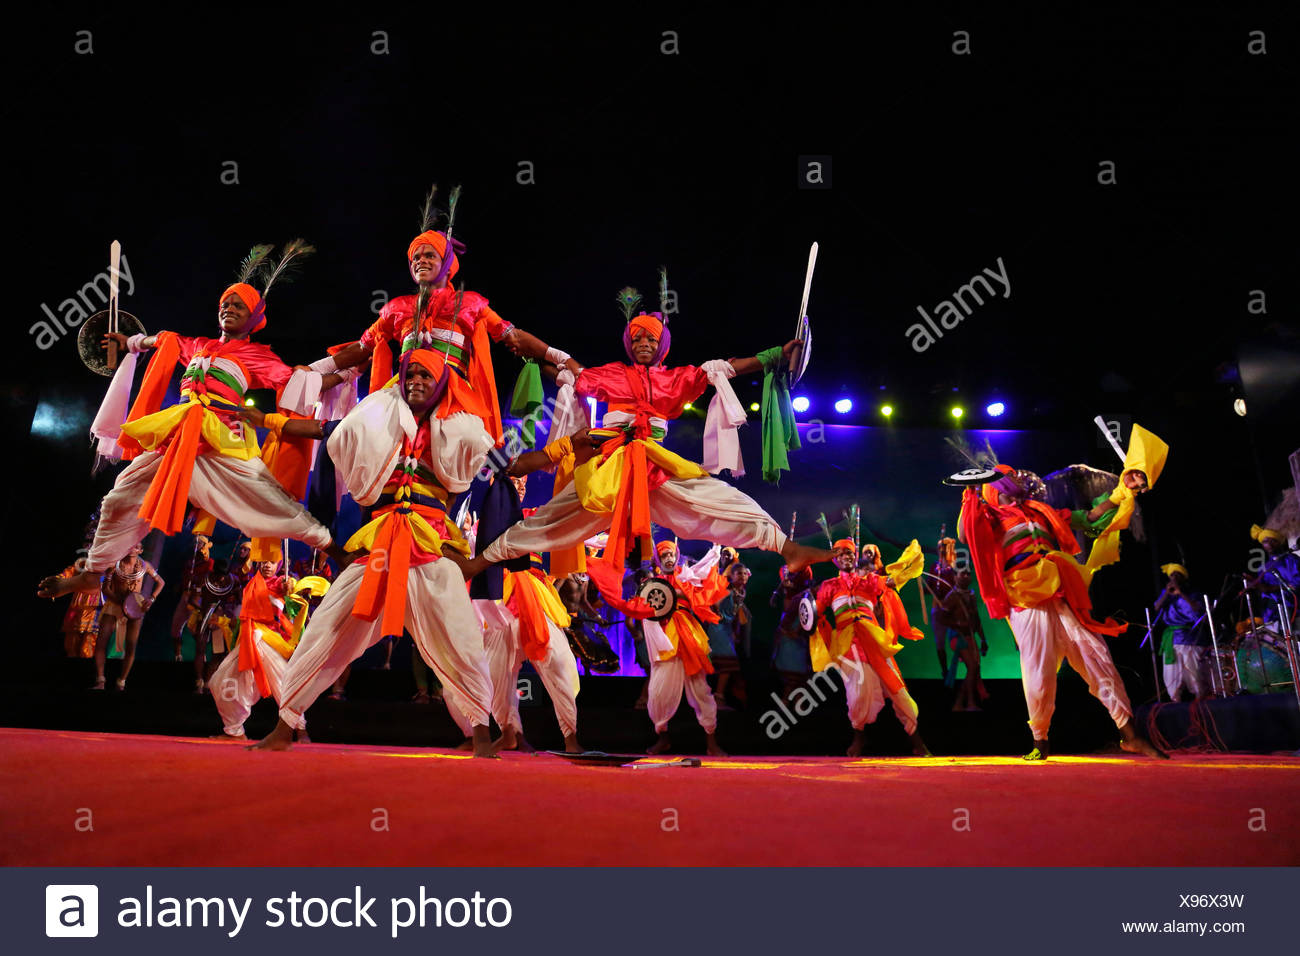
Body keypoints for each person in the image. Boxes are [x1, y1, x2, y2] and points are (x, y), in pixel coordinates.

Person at [462, 296, 831, 590]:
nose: (642, 343)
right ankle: (478, 563)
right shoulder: (611, 374)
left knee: (724, 501)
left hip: (654, 467)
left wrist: (775, 356)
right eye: (636, 337)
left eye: (650, 338)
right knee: (548, 521)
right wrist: (535, 351)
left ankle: (788, 547)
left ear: (662, 345)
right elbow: (569, 370)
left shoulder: (677, 379)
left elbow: (728, 367)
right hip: (609, 471)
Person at [38, 254, 347, 604]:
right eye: (225, 303)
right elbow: (163, 340)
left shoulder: (259, 357)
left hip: (220, 440)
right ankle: (92, 573)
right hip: (177, 436)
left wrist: (349, 370)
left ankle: (331, 547)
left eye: (238, 306)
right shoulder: (199, 344)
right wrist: (129, 343)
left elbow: (299, 382)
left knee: (267, 498)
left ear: (255, 319)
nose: (229, 309)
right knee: (118, 498)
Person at [248, 350, 497, 755]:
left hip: (431, 544)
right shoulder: (377, 423)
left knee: (462, 641)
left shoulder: (458, 428)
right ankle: (284, 724)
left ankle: (482, 733)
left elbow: (480, 458)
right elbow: (335, 434)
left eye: (426, 377)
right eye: (409, 374)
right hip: (380, 542)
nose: (415, 381)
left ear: (441, 385)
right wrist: (267, 419)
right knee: (324, 629)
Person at [958, 464, 1165, 759]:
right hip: (1026, 598)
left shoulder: (1042, 512)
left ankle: (1130, 735)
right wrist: (972, 491)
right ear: (996, 486)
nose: (1018, 477)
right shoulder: (988, 517)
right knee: (1039, 672)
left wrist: (1122, 491)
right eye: (1010, 475)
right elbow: (966, 534)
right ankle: (1040, 739)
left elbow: (1091, 517)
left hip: (1060, 592)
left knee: (1097, 656)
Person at [813, 538, 930, 757]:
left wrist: (905, 567)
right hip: (850, 647)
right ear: (834, 559)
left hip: (875, 644)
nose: (845, 557)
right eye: (840, 554)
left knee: (899, 692)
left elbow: (889, 583)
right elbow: (814, 615)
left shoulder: (868, 580)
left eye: (849, 553)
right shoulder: (829, 586)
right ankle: (859, 737)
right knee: (858, 695)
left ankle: (918, 742)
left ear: (855, 557)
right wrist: (811, 618)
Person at [642, 540, 731, 756]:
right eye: (664, 556)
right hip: (666, 638)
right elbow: (645, 605)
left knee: (701, 690)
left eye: (672, 555)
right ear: (658, 560)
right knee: (657, 692)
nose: (669, 559)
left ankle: (711, 743)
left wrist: (715, 551)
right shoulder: (652, 582)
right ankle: (663, 738)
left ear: (677, 555)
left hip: (688, 636)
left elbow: (700, 582)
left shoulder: (686, 576)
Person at [209, 571, 319, 742]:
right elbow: (244, 617)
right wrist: (222, 621)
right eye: (264, 560)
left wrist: (290, 588)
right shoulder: (251, 584)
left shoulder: (281, 581)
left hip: (270, 640)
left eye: (272, 561)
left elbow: (292, 595)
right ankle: (235, 731)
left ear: (279, 564)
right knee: (220, 681)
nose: (267, 564)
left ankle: (300, 729)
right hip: (248, 639)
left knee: (283, 684)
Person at [91, 543, 164, 690]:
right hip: (114, 604)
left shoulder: (145, 566)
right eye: (130, 546)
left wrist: (151, 598)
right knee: (101, 641)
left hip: (135, 608)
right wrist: (121, 602)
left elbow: (161, 582)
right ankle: (100, 680)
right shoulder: (115, 564)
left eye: (137, 547)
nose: (133, 549)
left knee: (131, 645)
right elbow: (105, 588)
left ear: (141, 550)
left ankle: (121, 682)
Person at [1154, 563, 1208, 700]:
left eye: (1177, 575)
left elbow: (1198, 610)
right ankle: (1175, 701)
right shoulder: (1166, 594)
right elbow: (1156, 607)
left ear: (1183, 578)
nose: (1174, 577)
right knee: (1171, 675)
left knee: (1194, 674)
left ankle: (1200, 700)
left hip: (1191, 638)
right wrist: (1167, 593)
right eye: (1172, 575)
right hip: (1171, 640)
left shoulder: (1194, 594)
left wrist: (1181, 593)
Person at [941, 568, 989, 711]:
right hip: (958, 638)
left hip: (970, 637)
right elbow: (941, 618)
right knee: (972, 667)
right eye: (963, 573)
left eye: (968, 574)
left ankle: (960, 704)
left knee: (974, 669)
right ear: (955, 577)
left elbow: (977, 619)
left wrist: (983, 639)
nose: (966, 576)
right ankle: (969, 703)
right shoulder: (952, 596)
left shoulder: (971, 595)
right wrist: (957, 624)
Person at [190, 559, 239, 693]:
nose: (221, 578)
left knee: (218, 652)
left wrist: (227, 614)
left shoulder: (233, 581)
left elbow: (239, 599)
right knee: (200, 649)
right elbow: (193, 599)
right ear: (213, 571)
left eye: (224, 575)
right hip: (204, 616)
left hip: (220, 619)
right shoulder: (203, 579)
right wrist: (206, 610)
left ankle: (208, 682)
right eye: (219, 574)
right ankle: (199, 681)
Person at [770, 564, 815, 703]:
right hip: (790, 617)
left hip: (800, 613)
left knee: (800, 665)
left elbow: (807, 614)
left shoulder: (805, 570)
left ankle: (793, 699)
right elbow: (784, 584)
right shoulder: (784, 568)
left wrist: (796, 631)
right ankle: (792, 699)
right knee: (791, 663)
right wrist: (776, 593)